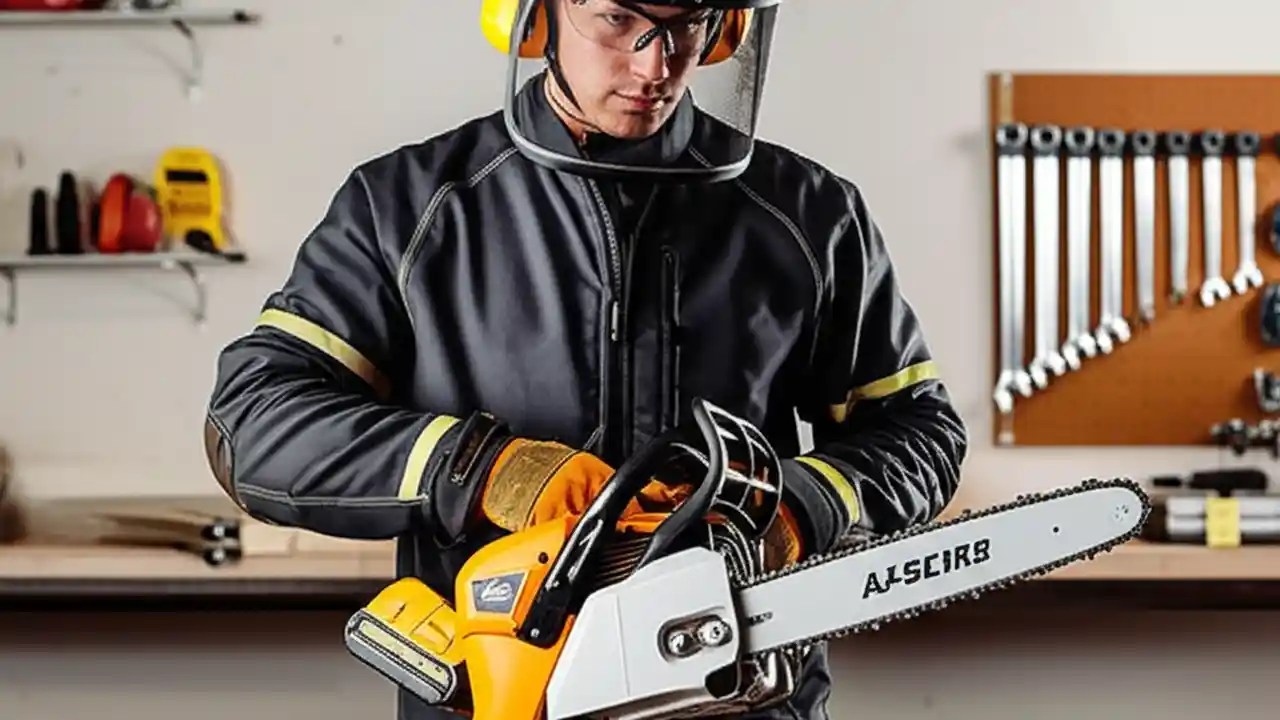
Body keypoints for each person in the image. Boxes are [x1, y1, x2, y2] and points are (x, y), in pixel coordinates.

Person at [202, 1, 968, 718]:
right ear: (536, 16)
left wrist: (797, 507)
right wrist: (484, 471)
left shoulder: (809, 215)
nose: (653, 67)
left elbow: (921, 433)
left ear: (730, 27)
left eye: (686, 25)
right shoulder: (408, 207)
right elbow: (254, 422)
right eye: (615, 19)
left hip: (740, 697)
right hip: (497, 695)